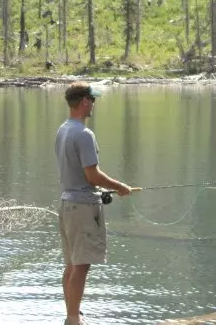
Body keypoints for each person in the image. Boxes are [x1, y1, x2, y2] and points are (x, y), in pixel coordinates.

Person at [55, 81, 132, 325]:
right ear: (84, 101)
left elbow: (81, 175)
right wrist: (120, 187)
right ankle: (74, 318)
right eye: (93, 100)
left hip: (67, 203)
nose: (94, 105)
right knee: (82, 265)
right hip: (83, 207)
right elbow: (92, 176)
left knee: (71, 264)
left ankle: (71, 314)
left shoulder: (63, 129)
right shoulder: (84, 134)